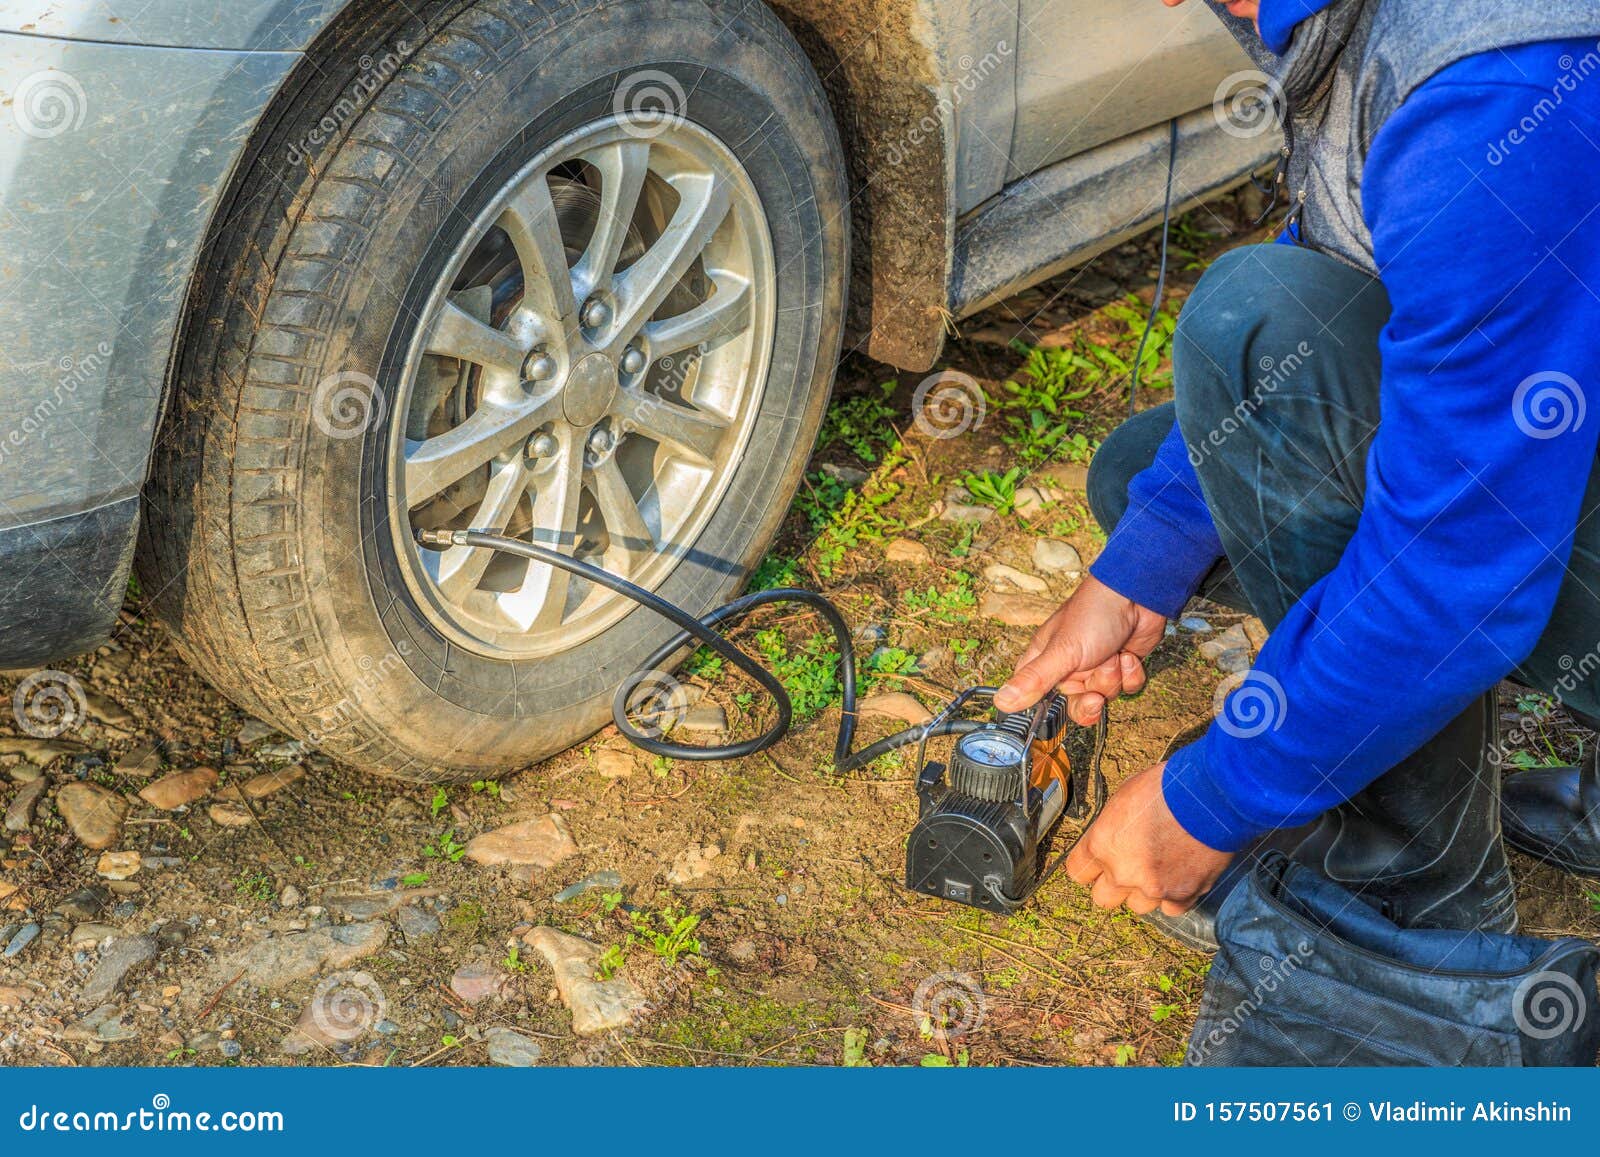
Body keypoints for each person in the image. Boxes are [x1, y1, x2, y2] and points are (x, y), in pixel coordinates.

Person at [995, 0, 1600, 948]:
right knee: (1160, 467)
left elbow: (1462, 560)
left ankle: (1405, 908)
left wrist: (1217, 800)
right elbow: (1350, 262)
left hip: (1520, 494)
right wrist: (1138, 568)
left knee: (1256, 330)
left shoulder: (1495, 81)